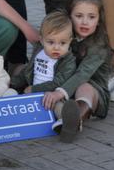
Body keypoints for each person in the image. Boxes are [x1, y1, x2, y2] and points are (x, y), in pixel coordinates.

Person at [8, 11, 80, 141]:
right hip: (33, 95)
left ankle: (69, 124)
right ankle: (5, 118)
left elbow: (58, 82)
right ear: (41, 40)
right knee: (11, 94)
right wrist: (12, 83)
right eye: (51, 42)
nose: (56, 47)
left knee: (59, 108)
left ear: (70, 41)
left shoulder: (68, 61)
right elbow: (27, 72)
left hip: (52, 96)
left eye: (62, 43)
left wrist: (34, 89)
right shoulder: (39, 52)